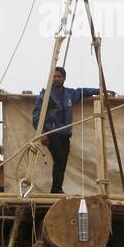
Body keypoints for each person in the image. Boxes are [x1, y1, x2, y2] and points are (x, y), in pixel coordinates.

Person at [31, 66, 103, 194]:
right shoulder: (45, 96)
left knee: (62, 161)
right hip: (51, 132)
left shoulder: (69, 94)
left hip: (65, 134)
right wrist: (41, 134)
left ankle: (57, 188)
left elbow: (82, 91)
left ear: (64, 78)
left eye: (59, 76)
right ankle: (56, 189)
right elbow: (36, 116)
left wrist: (100, 90)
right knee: (59, 158)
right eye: (54, 76)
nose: (56, 79)